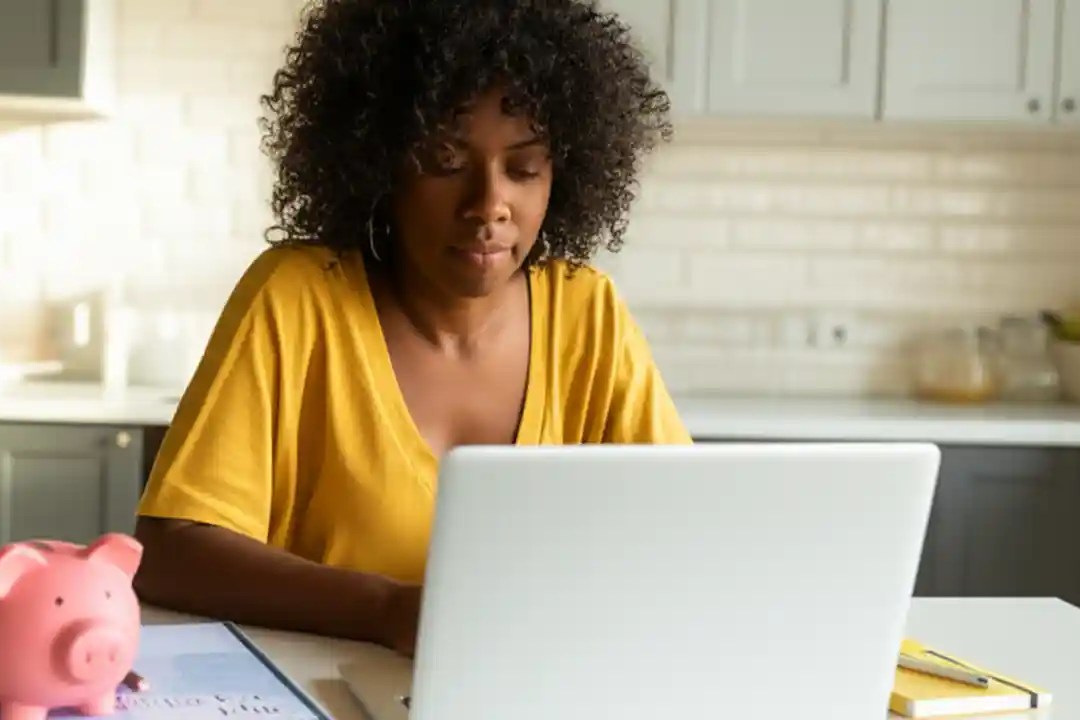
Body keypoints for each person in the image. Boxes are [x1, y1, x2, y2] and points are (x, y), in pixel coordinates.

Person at [132, 0, 690, 658]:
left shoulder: (586, 313)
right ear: (380, 163)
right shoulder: (297, 300)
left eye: (523, 168)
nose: (488, 206)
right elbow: (171, 553)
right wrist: (388, 610)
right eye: (444, 162)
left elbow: (680, 531)